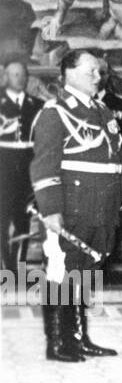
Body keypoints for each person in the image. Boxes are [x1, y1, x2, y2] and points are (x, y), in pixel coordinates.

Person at [30, 49, 122, 361]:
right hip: (73, 204)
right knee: (63, 270)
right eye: (91, 71)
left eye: (99, 72)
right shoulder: (54, 112)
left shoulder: (103, 112)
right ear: (69, 73)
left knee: (88, 270)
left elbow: (118, 160)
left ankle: (80, 336)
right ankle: (60, 342)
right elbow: (44, 166)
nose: (98, 77)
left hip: (105, 205)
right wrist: (51, 209)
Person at [0, 60, 42, 272]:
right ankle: (5, 268)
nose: (20, 78)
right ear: (6, 77)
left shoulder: (37, 105)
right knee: (2, 218)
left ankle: (18, 267)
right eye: (14, 74)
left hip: (27, 168)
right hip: (3, 168)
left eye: (22, 74)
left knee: (22, 219)